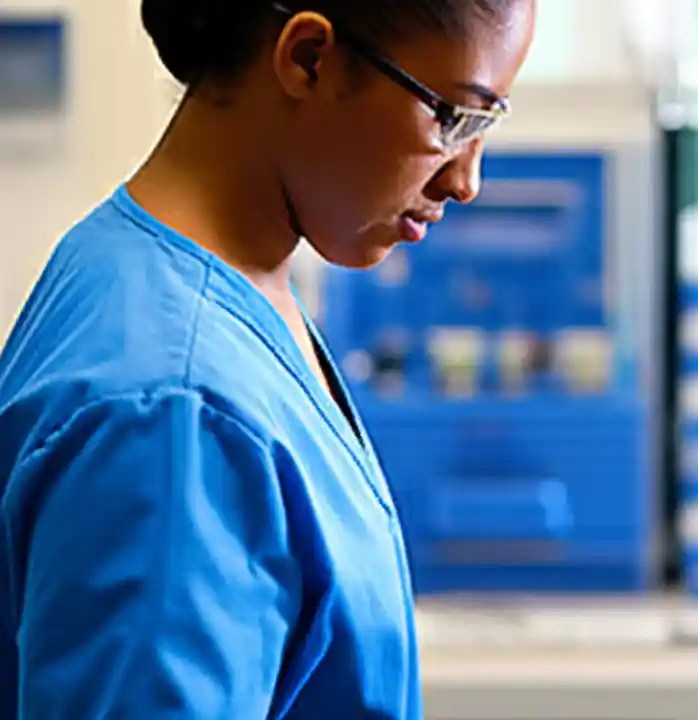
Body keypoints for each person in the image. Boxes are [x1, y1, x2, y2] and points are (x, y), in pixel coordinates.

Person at [0, 0, 535, 716]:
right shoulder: (175, 413)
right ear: (308, 58)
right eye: (452, 118)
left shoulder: (195, 277)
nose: (465, 180)